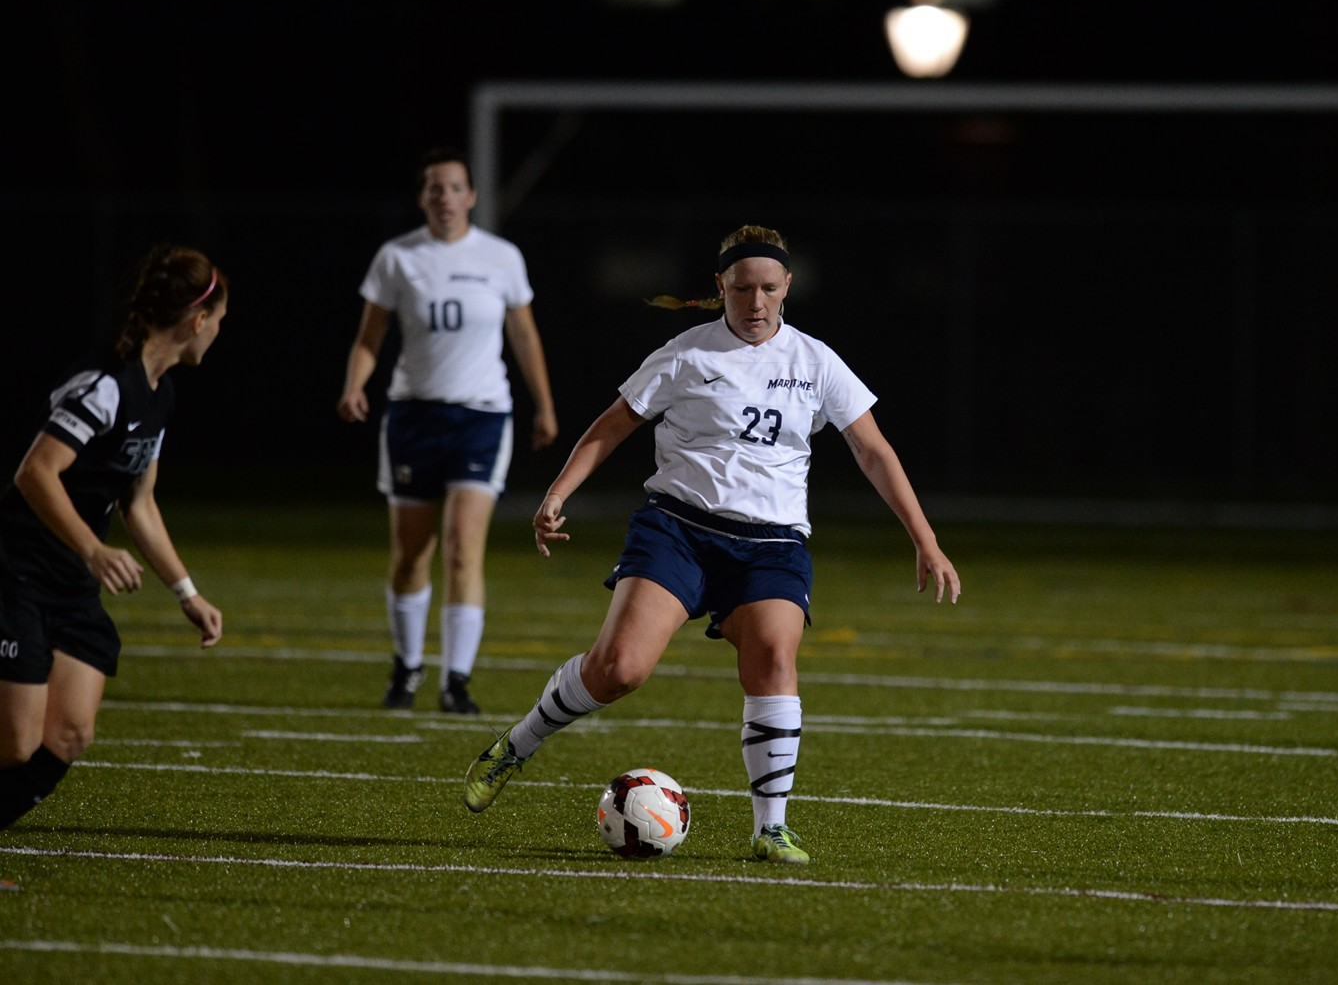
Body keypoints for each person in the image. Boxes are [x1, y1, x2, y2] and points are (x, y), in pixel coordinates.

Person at [462, 224, 960, 864]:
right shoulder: (685, 355)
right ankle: (518, 745)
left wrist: (926, 540)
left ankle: (770, 828)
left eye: (769, 289)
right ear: (719, 287)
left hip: (773, 544)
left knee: (775, 656)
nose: (756, 303)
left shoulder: (814, 360)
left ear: (788, 289)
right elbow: (609, 427)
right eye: (743, 288)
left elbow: (873, 449)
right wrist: (557, 494)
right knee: (620, 670)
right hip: (681, 530)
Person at [0, 245, 227, 830]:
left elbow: (139, 504)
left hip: (71, 581)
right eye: (220, 321)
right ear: (198, 321)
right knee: (16, 746)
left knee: (70, 733)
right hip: (18, 569)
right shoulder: (104, 384)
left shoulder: (161, 394)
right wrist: (94, 549)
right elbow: (34, 472)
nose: (219, 334)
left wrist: (187, 592)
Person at [337, 146, 559, 715]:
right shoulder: (397, 257)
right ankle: (407, 668)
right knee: (412, 552)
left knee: (463, 548)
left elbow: (526, 336)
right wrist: (355, 384)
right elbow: (370, 336)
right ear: (423, 198)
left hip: (482, 416)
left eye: (454, 187)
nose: (444, 197)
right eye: (434, 188)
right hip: (413, 415)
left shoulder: (501, 257)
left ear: (471, 196)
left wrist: (544, 405)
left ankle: (455, 680)